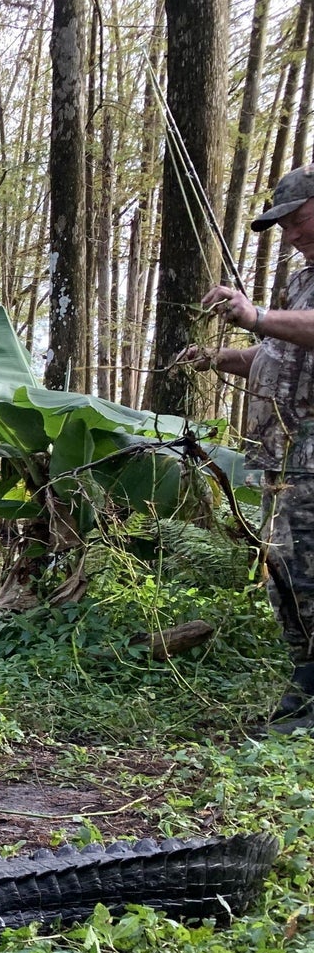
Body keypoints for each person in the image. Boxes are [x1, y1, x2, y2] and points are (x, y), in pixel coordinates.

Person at [177, 166, 314, 725]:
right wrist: (218, 358)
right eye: (282, 225)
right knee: (288, 575)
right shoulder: (304, 278)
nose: (291, 234)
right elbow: (277, 355)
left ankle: (306, 700)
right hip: (284, 458)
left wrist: (257, 314)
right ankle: (303, 692)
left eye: (298, 219)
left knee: (307, 574)